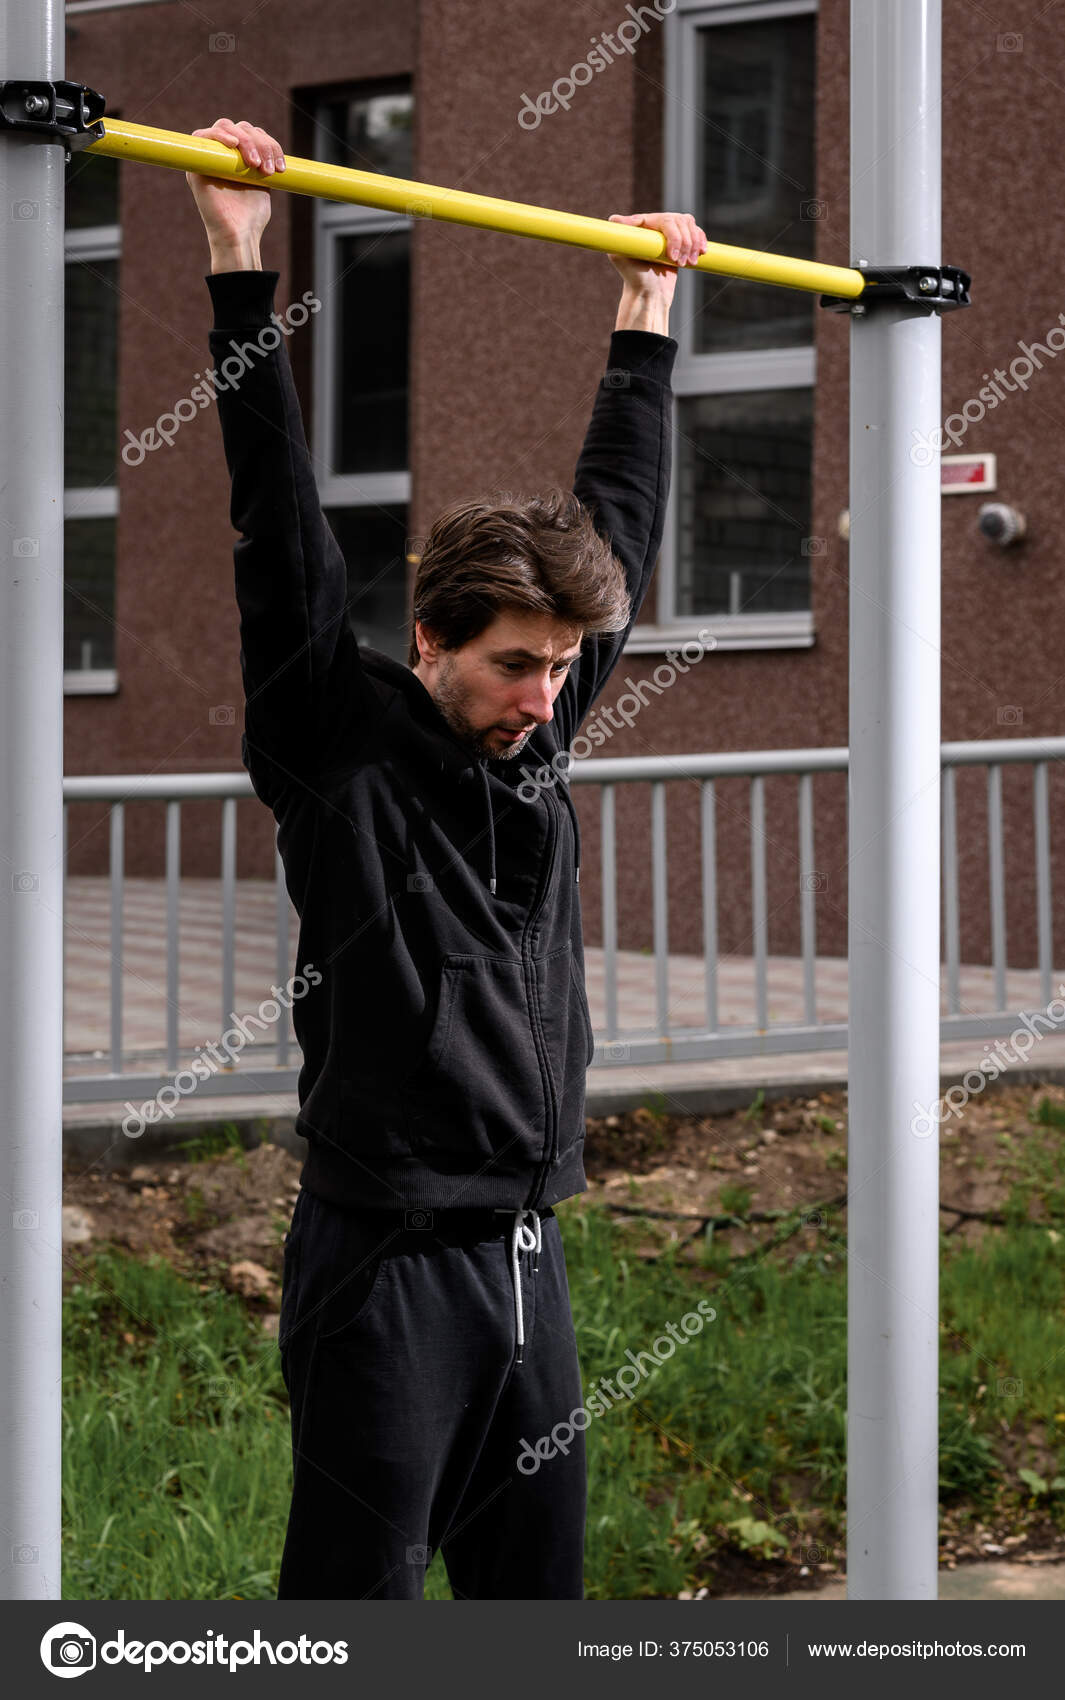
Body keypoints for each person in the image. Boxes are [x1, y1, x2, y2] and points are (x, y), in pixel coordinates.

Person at [186, 116, 705, 1601]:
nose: (546, 696)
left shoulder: (533, 739)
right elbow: (275, 526)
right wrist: (238, 255)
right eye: (515, 666)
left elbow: (619, 523)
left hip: (527, 1253)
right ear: (430, 639)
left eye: (562, 667)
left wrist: (644, 314)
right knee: (357, 1608)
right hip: (386, 1265)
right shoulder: (335, 737)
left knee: (533, 1602)